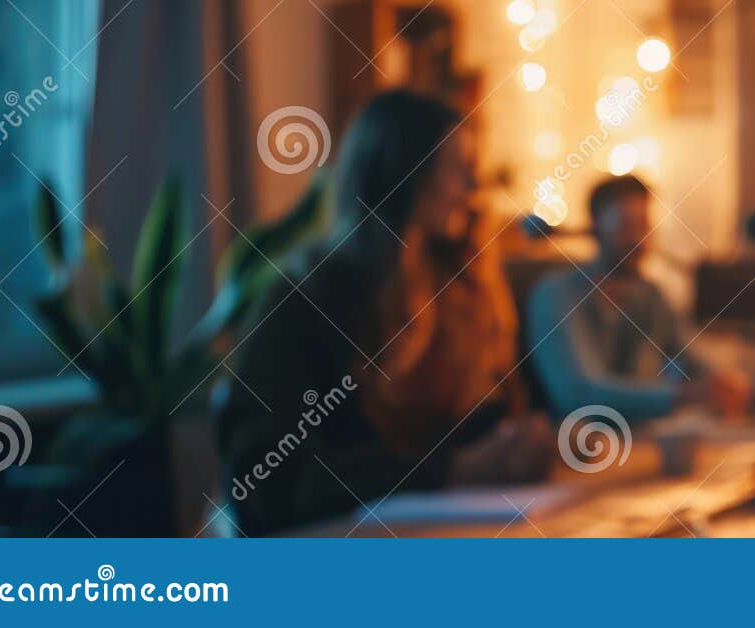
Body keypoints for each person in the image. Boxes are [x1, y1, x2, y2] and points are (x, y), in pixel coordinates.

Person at [219, 91, 554, 536]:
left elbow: (474, 424)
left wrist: (515, 443)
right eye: (458, 167)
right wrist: (451, 471)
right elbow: (266, 483)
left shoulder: (458, 289)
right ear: (401, 173)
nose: (475, 187)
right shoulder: (304, 301)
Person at [526, 176, 747, 422]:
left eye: (643, 227)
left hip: (646, 446)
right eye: (625, 227)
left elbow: (694, 357)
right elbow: (580, 395)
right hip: (578, 451)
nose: (638, 241)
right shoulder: (555, 295)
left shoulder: (651, 295)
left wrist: (726, 384)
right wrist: (682, 396)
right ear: (596, 230)